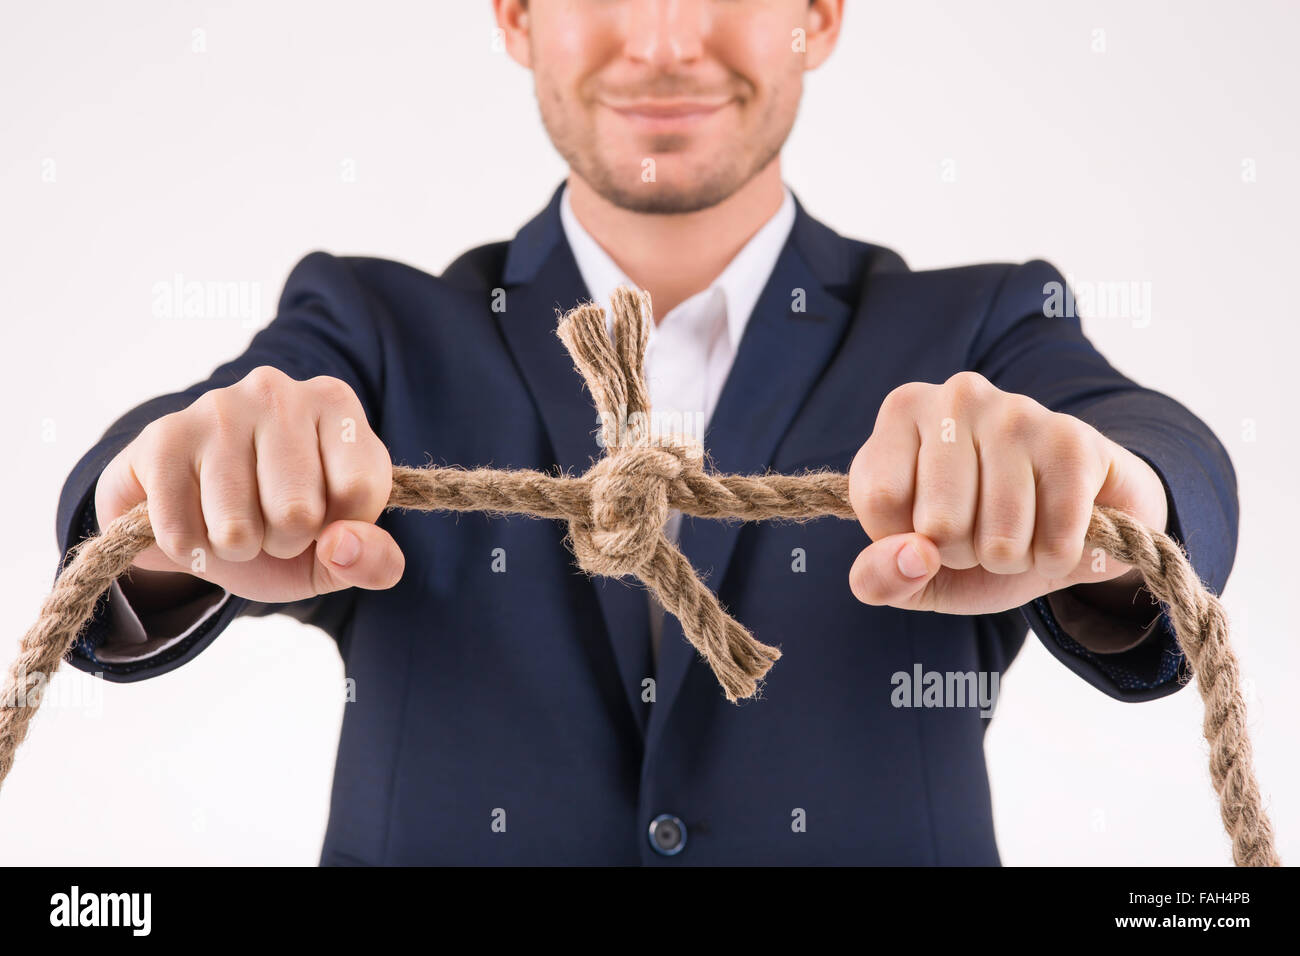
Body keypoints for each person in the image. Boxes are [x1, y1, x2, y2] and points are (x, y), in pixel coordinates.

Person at [55, 0, 1235, 864]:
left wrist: (1099, 491)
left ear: (817, 18)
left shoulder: (974, 328)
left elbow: (1148, 444)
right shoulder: (368, 331)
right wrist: (173, 499)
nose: (666, 39)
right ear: (515, 17)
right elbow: (168, 453)